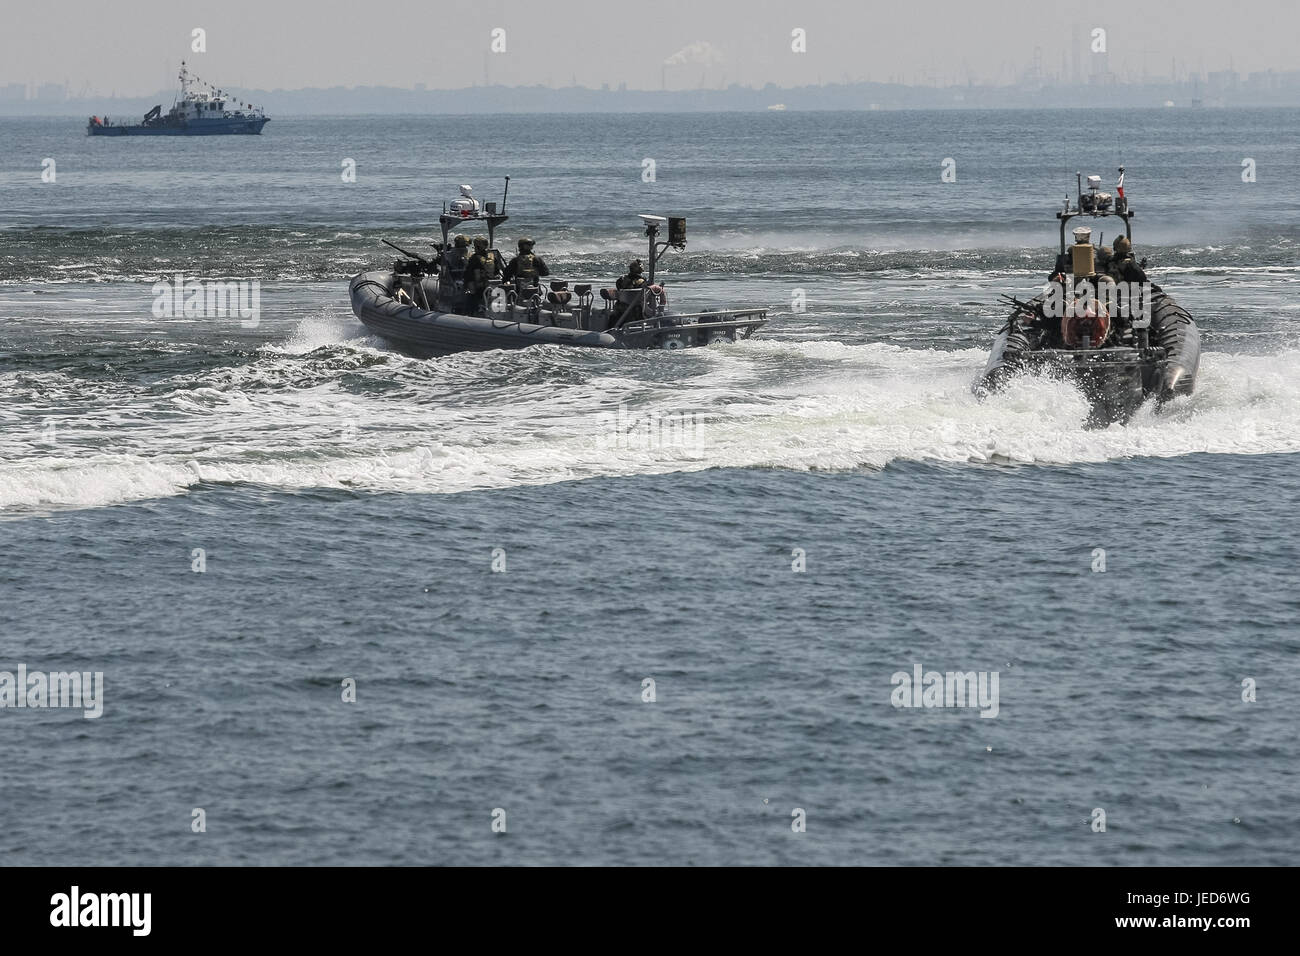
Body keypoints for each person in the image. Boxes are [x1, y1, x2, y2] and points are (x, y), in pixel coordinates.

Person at [462, 237, 501, 314]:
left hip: (480, 286)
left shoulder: (474, 258)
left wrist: (465, 285)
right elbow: (497, 270)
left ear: (477, 247)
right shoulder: (492, 256)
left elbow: (468, 273)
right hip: (493, 284)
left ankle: (469, 313)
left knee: (471, 296)